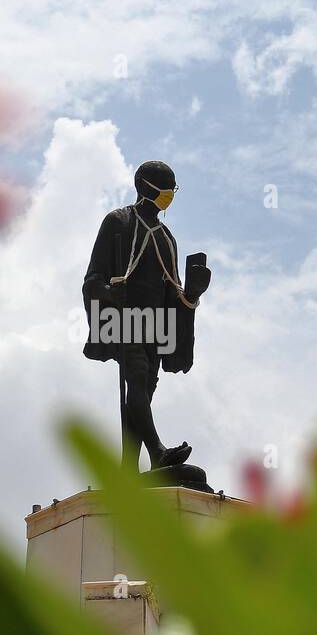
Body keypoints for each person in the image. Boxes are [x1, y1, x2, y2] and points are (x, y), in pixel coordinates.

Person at [81, 160, 210, 472]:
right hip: (124, 319)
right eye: (164, 189)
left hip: (156, 325)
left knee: (143, 395)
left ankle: (128, 468)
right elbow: (93, 280)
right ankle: (157, 452)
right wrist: (110, 294)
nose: (168, 195)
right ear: (144, 186)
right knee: (137, 382)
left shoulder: (167, 238)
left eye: (172, 189)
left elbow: (173, 295)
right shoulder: (118, 222)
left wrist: (193, 293)